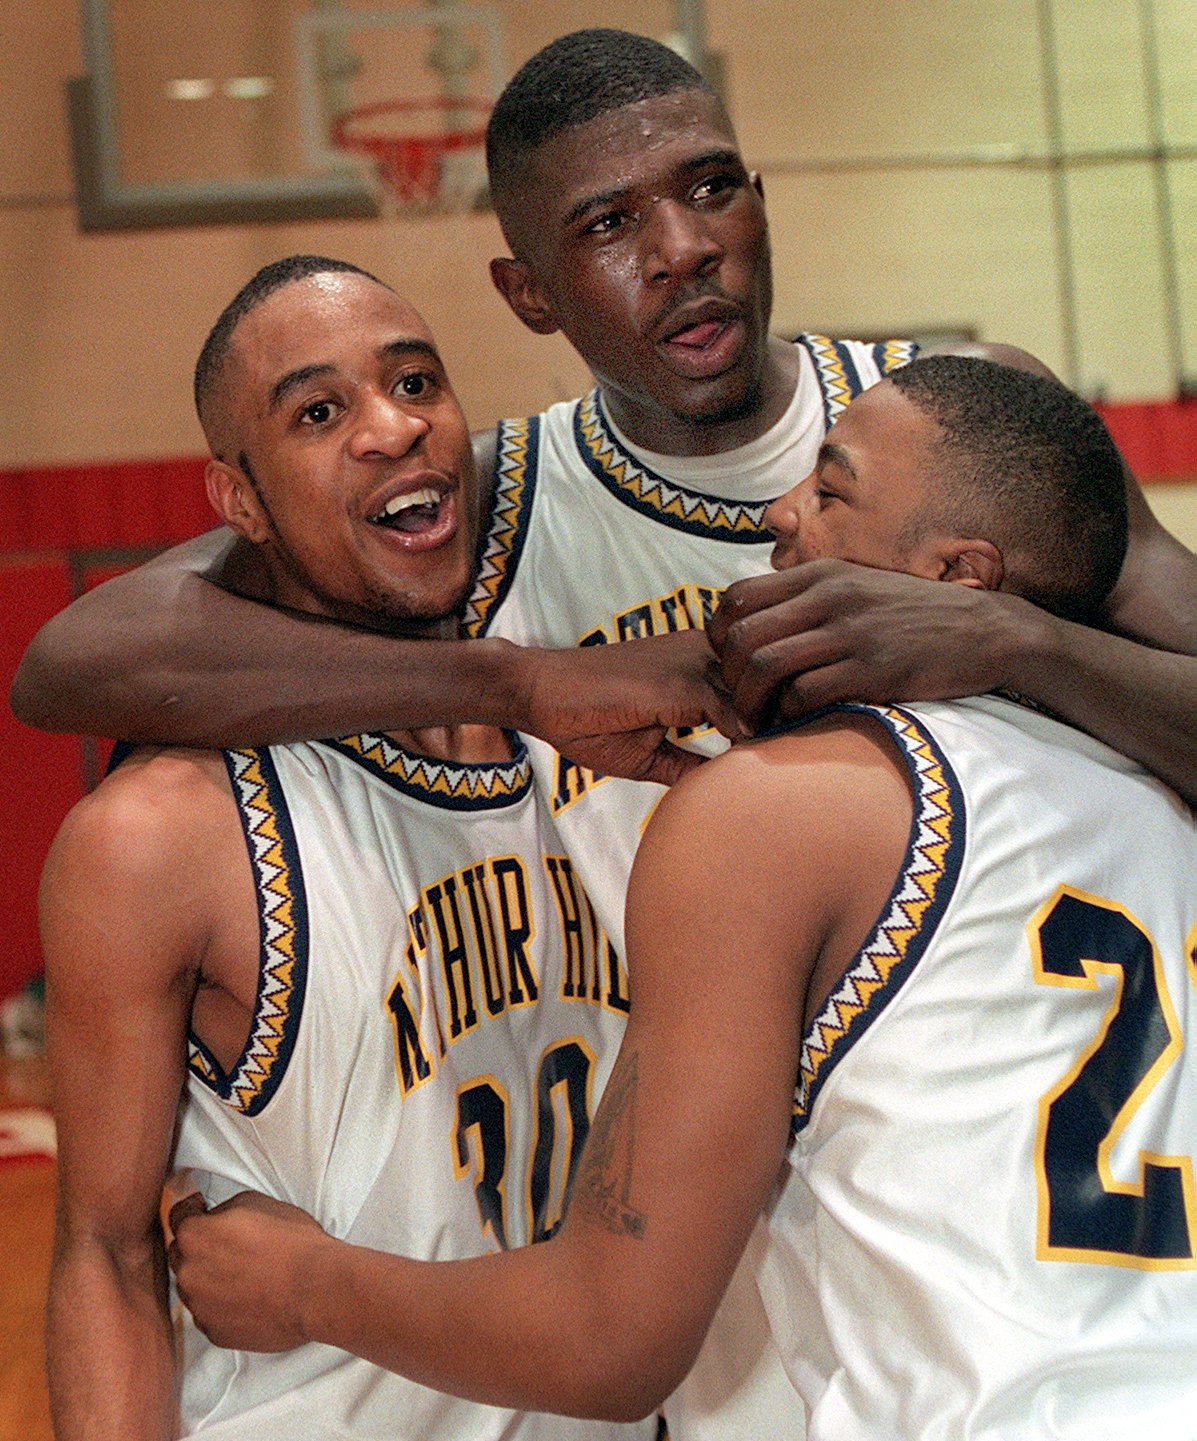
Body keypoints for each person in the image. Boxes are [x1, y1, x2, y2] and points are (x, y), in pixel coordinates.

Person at [14, 24, 1197, 1441]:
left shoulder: (949, 429)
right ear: (528, 291)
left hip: (927, 1247)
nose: (682, 248)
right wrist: (522, 683)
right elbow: (76, 658)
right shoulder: (488, 503)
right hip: (661, 1283)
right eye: (610, 224)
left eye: (709, 189)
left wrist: (1014, 640)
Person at [168, 356, 1197, 1440]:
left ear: (956, 575)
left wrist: (302, 1282)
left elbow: (608, 1338)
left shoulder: (776, 809)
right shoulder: (1154, 786)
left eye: (830, 491)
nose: (780, 512)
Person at [39, 255, 666, 1441]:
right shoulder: (161, 835)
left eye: (416, 381)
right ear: (238, 501)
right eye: (320, 413)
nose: (393, 427)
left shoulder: (590, 749)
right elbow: (106, 1257)